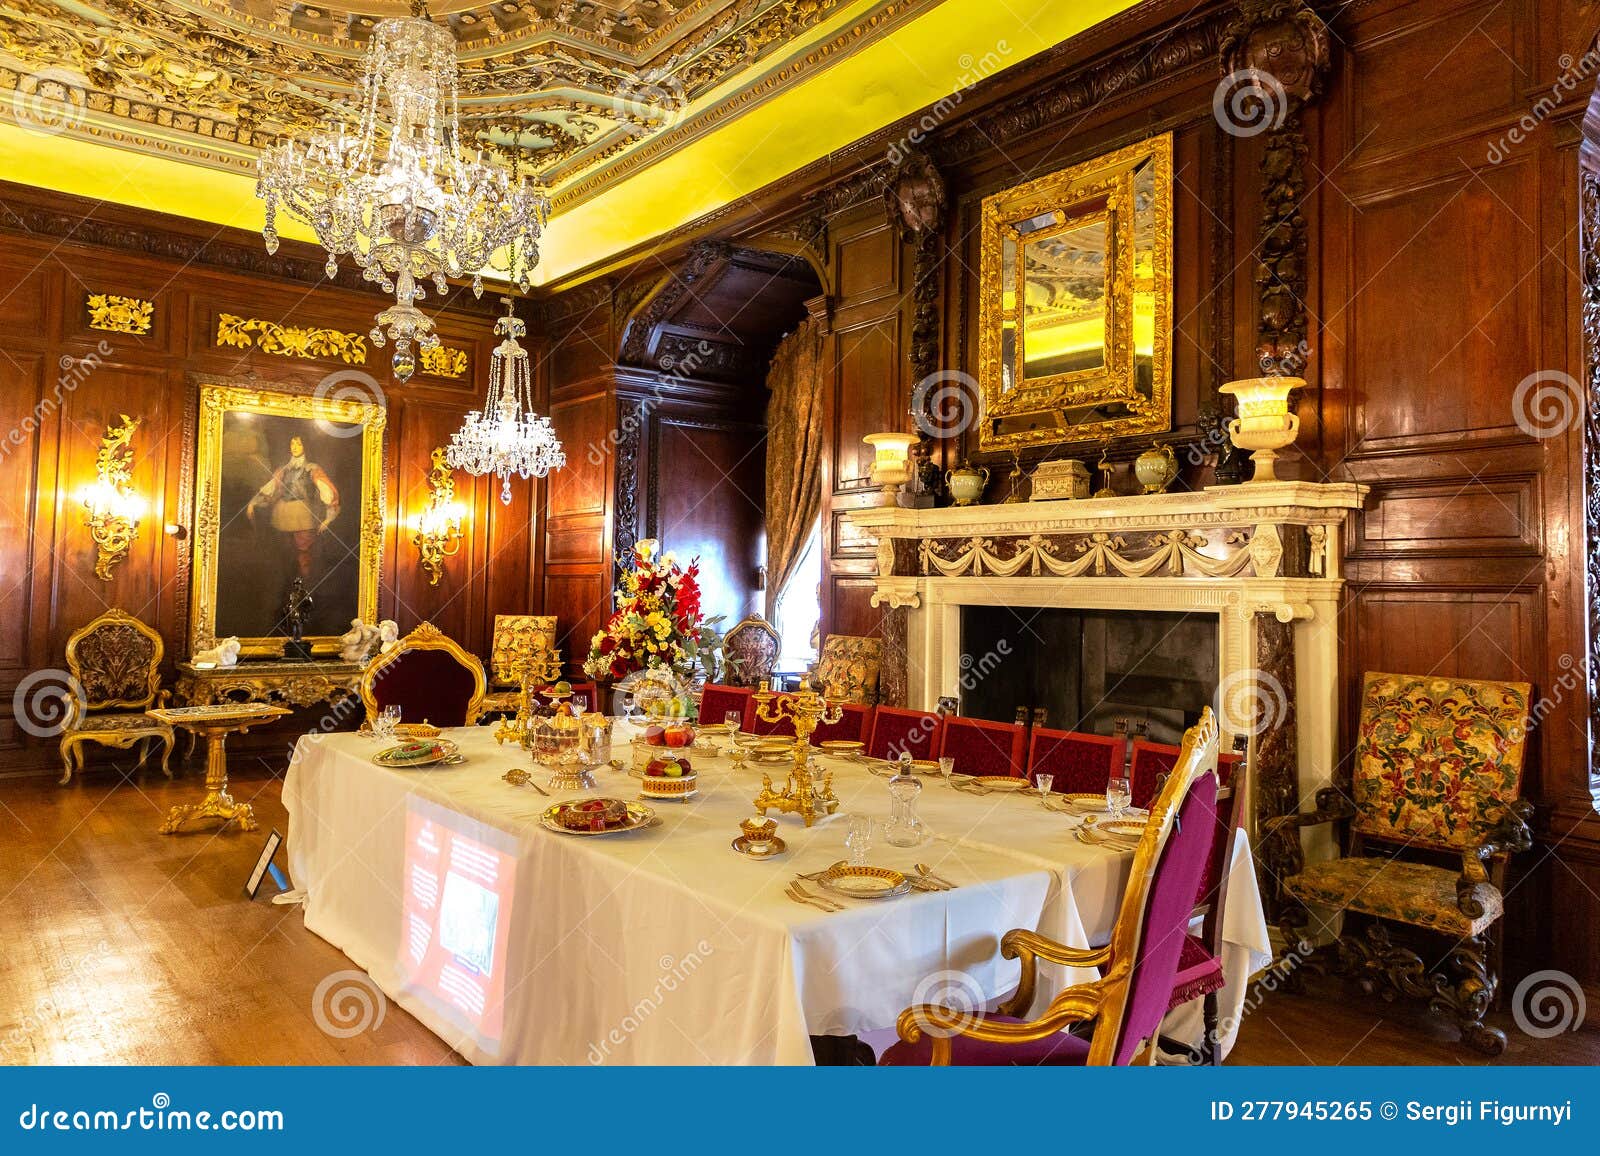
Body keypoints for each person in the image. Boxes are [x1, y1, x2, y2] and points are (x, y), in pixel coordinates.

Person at [246, 435, 340, 582]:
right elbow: (270, 488)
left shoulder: (312, 469)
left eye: (299, 444)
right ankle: (288, 585)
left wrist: (328, 518)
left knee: (304, 554)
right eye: (292, 444)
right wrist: (253, 502)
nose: (294, 447)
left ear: (306, 446)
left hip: (303, 516)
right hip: (282, 515)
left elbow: (327, 491)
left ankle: (306, 587)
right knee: (285, 554)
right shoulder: (283, 470)